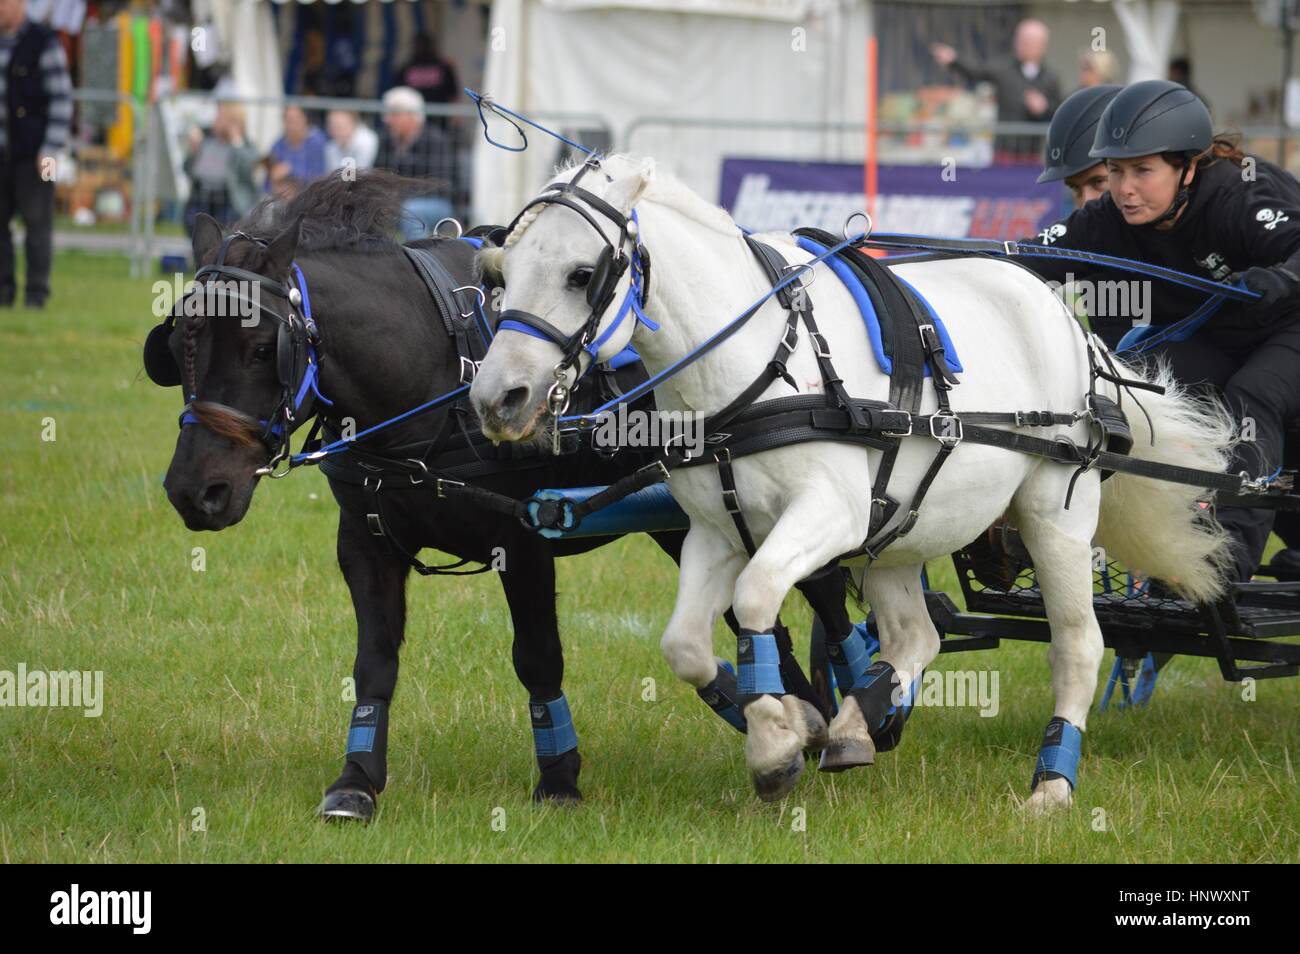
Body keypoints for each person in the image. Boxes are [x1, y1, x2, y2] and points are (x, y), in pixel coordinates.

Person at [1018, 80, 1300, 584]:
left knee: (1253, 392)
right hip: (1229, 339)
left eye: (1143, 171)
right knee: (1140, 384)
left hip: (1289, 328)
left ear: (1188, 167)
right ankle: (1144, 541)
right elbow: (1026, 258)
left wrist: (1283, 276)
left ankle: (1222, 567)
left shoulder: (1239, 197)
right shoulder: (1107, 218)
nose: (1125, 189)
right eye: (1117, 171)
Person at [0, 0, 71, 309]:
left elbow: (61, 100)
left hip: (39, 155)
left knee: (38, 224)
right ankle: (3, 293)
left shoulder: (44, 41)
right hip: (2, 153)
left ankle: (36, 296)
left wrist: (50, 149)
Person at [931, 19, 1062, 163]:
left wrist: (1044, 108)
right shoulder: (1003, 69)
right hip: (1004, 151)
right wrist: (954, 60)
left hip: (1031, 153)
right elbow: (975, 72)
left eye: (1028, 40)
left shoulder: (1051, 78)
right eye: (1020, 39)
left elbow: (1059, 113)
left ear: (1042, 45)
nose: (1021, 44)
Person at [374, 86, 454, 241]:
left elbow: (439, 184)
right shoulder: (385, 140)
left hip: (436, 203)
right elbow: (377, 174)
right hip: (396, 202)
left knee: (411, 211)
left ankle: (420, 257)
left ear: (412, 115)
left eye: (393, 114)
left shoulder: (435, 139)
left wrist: (399, 198)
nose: (387, 119)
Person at [182, 102, 259, 233]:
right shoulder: (206, 140)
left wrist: (236, 143)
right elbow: (187, 170)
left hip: (229, 202)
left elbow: (247, 171)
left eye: (220, 117)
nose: (215, 120)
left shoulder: (244, 146)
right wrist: (193, 152)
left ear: (232, 121)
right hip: (201, 198)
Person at [267, 105, 328, 195]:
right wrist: (274, 181)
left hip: (310, 196)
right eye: (288, 120)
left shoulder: (318, 142)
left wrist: (291, 170)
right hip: (282, 197)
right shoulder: (278, 145)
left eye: (296, 119)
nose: (292, 124)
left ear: (305, 119)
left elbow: (320, 177)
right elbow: (267, 182)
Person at [399, 33, 459, 106]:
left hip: (435, 112)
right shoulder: (443, 67)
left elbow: (453, 94)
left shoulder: (406, 68)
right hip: (416, 113)